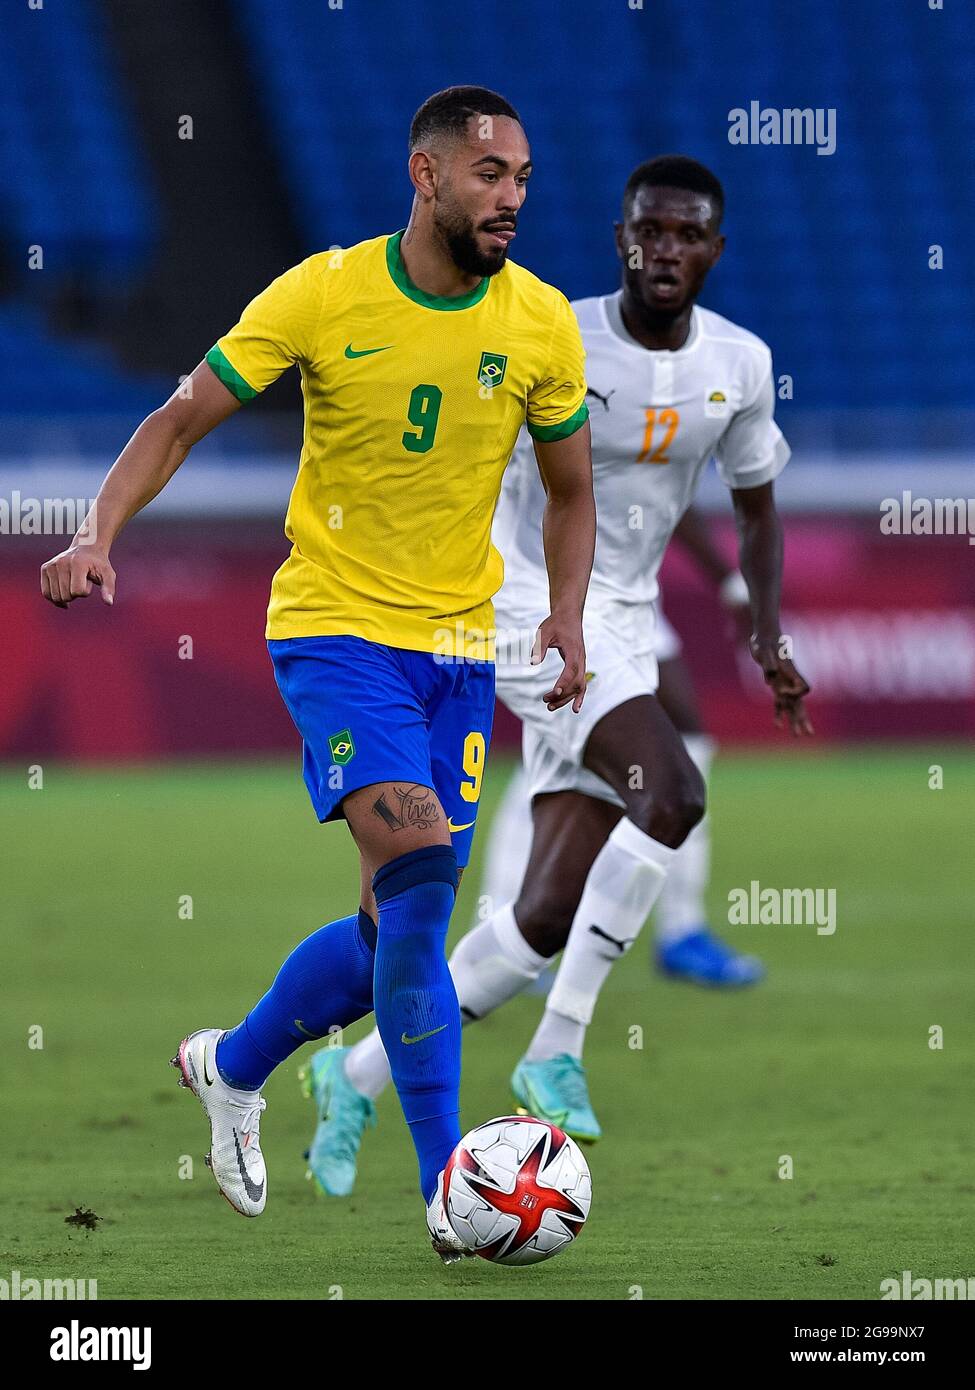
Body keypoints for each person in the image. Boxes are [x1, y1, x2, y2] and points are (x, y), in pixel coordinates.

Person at [39, 86, 596, 1262]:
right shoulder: (326, 292)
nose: (511, 198)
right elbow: (183, 415)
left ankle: (230, 1066)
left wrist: (569, 615)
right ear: (426, 174)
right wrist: (99, 532)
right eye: (490, 175)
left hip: (461, 649)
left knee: (400, 927)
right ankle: (450, 1187)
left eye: (525, 180)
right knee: (421, 858)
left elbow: (572, 488)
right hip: (336, 629)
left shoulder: (542, 322)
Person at [300, 155, 811, 1194]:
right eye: (647, 230)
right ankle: (557, 1049)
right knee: (674, 789)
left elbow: (755, 509)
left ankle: (347, 1075)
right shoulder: (547, 330)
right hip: (521, 604)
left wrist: (764, 636)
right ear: (620, 235)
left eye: (686, 235)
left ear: (715, 249)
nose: (663, 250)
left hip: (622, 612)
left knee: (535, 923)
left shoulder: (741, 364)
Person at [478, 504, 765, 992]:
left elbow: (664, 486)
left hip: (621, 588)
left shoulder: (657, 438)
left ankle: (680, 929)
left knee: (673, 734)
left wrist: (728, 580)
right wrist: (728, 581)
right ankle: (507, 932)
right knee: (569, 739)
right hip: (553, 581)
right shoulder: (579, 429)